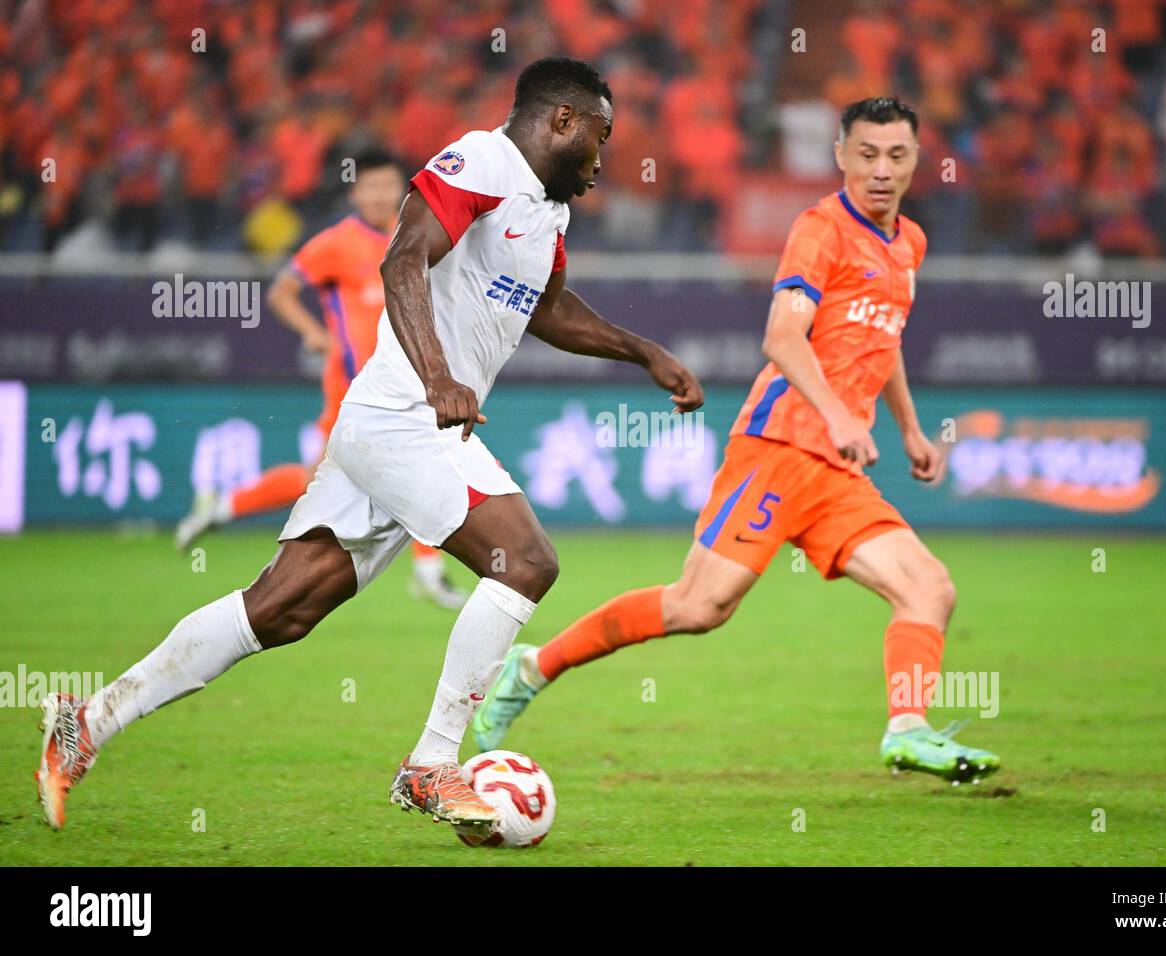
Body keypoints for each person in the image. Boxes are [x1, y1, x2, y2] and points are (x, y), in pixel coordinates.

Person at [35, 57, 703, 832]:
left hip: (397, 427)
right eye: (600, 136)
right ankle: (431, 764)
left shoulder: (548, 213)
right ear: (561, 121)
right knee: (525, 562)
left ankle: (87, 723)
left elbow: (549, 312)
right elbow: (404, 258)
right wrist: (440, 375)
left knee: (277, 612)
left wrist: (643, 351)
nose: (601, 160)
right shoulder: (482, 161)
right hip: (405, 414)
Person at [474, 97, 1001, 785]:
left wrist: (906, 426)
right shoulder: (821, 230)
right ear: (841, 155)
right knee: (697, 608)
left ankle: (909, 730)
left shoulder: (909, 243)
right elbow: (782, 337)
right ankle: (532, 668)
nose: (881, 170)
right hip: (778, 448)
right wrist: (839, 416)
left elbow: (884, 337)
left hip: (837, 471)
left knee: (929, 587)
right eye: (866, 154)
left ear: (915, 162)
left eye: (896, 156)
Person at [175, 148, 467, 609]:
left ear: (402, 188)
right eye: (369, 186)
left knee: (418, 463)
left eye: (388, 185)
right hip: (350, 388)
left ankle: (429, 573)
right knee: (323, 477)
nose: (378, 195)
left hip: (405, 383)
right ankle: (224, 508)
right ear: (355, 192)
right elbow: (282, 291)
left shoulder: (414, 237)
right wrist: (314, 333)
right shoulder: (336, 243)